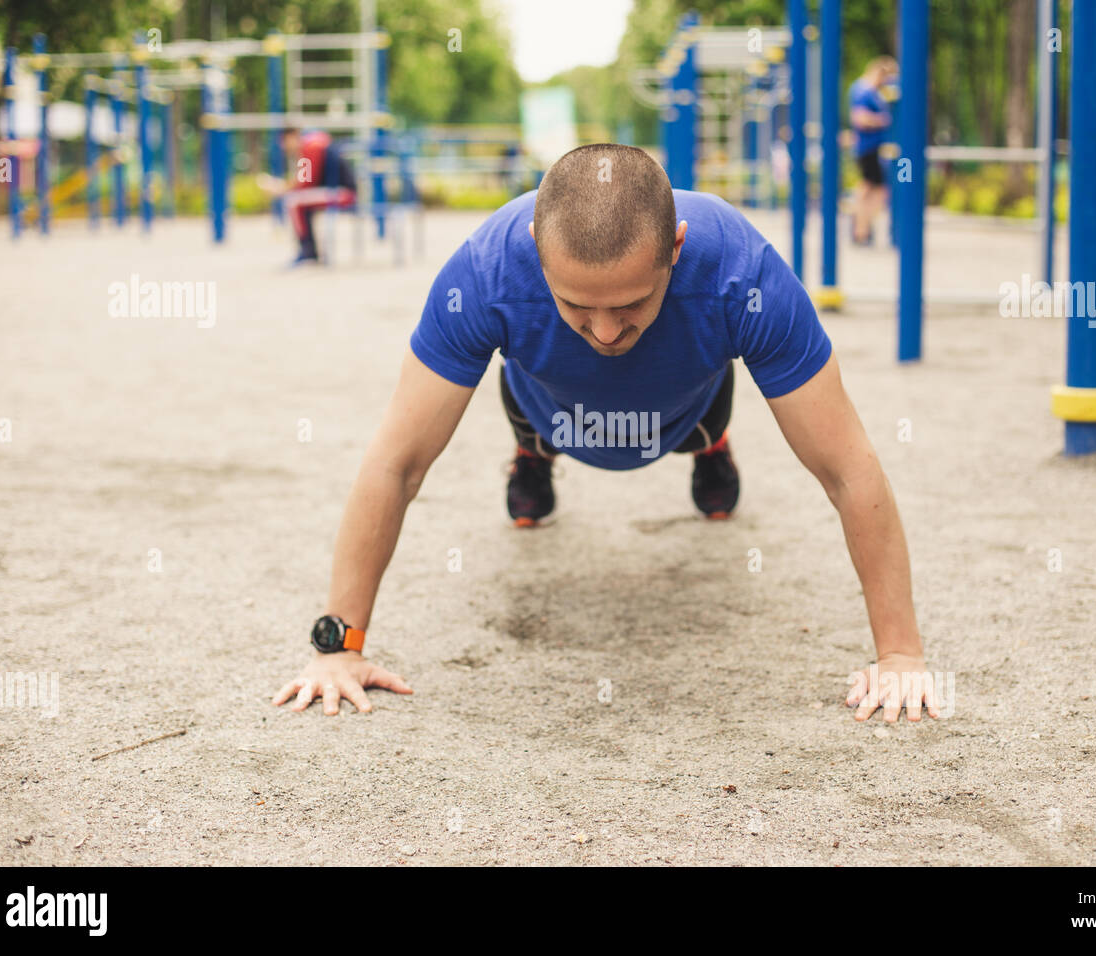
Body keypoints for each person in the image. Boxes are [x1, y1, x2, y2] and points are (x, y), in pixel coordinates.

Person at [271, 144, 939, 724]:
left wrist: (901, 654)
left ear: (676, 247)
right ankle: (530, 457)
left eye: (630, 305)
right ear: (536, 254)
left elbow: (847, 467)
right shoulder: (484, 273)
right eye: (577, 307)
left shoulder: (744, 274)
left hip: (684, 406)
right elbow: (398, 463)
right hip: (549, 407)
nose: (608, 332)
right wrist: (339, 647)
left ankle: (712, 444)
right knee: (533, 408)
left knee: (706, 419)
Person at [258, 127, 357, 265]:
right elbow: (306, 181)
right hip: (339, 190)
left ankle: (307, 250)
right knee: (299, 201)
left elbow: (306, 182)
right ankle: (309, 250)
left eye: (284, 142)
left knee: (294, 202)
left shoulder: (310, 146)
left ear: (292, 136)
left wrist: (281, 188)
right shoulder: (314, 143)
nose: (284, 147)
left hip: (342, 193)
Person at [848, 56, 898, 245]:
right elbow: (859, 118)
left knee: (872, 188)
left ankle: (863, 228)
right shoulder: (864, 91)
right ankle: (862, 228)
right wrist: (885, 120)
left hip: (872, 147)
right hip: (869, 147)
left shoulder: (867, 90)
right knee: (871, 188)